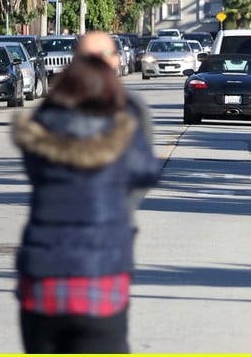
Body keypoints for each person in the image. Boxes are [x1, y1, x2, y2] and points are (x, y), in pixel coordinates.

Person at [12, 30, 161, 354]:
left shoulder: (43, 122)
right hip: (100, 281)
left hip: (42, 282)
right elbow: (147, 170)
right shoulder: (123, 122)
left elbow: (35, 171)